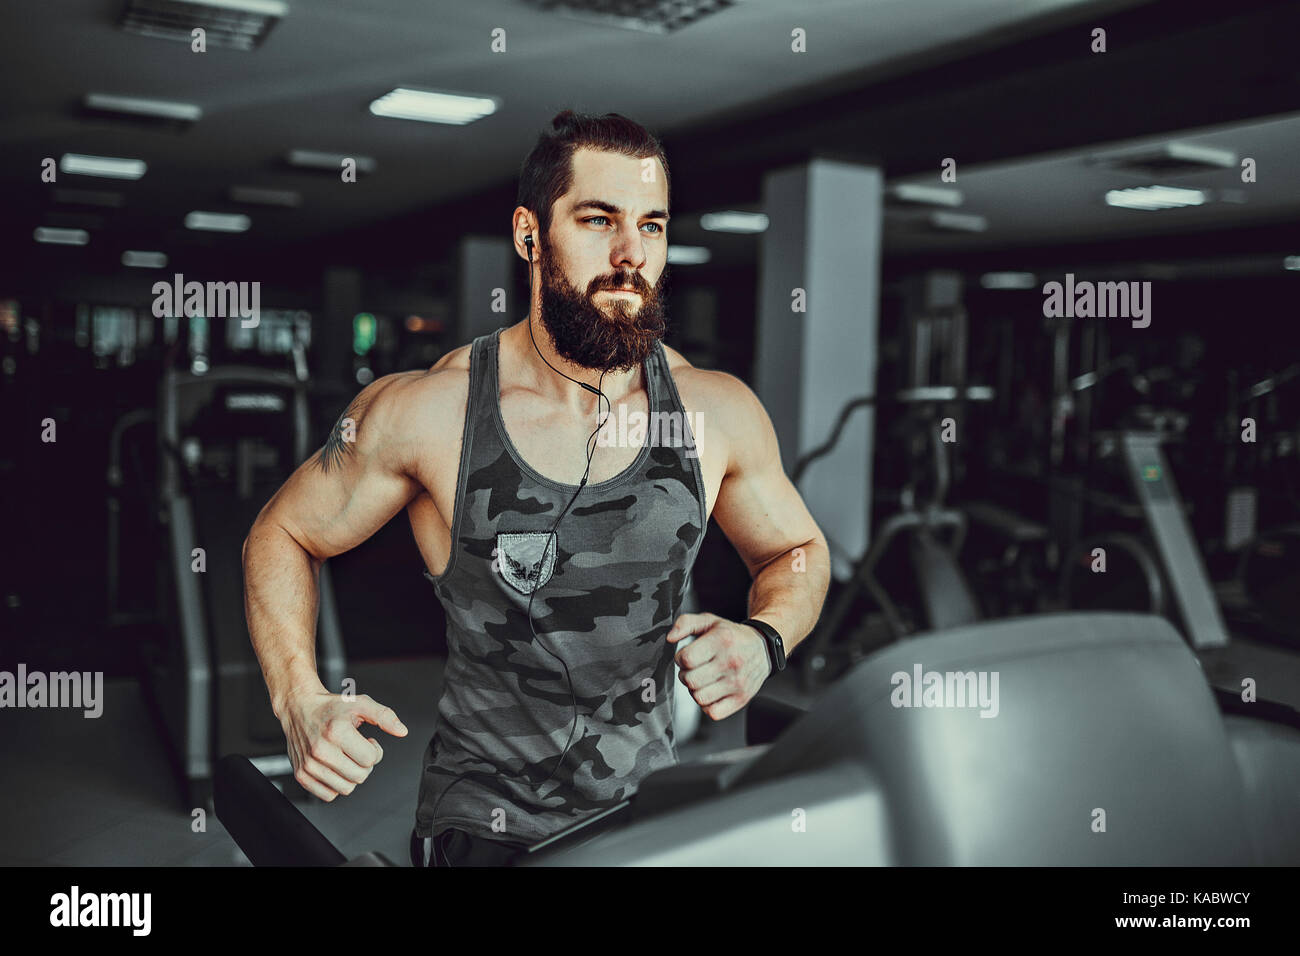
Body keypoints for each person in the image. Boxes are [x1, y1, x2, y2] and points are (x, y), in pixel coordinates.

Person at [242, 110, 830, 867]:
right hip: (480, 823)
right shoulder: (432, 411)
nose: (630, 255)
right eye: (598, 220)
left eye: (651, 226)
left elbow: (799, 550)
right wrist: (299, 699)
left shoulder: (716, 411)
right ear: (529, 233)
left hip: (642, 817)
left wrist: (765, 637)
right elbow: (281, 533)